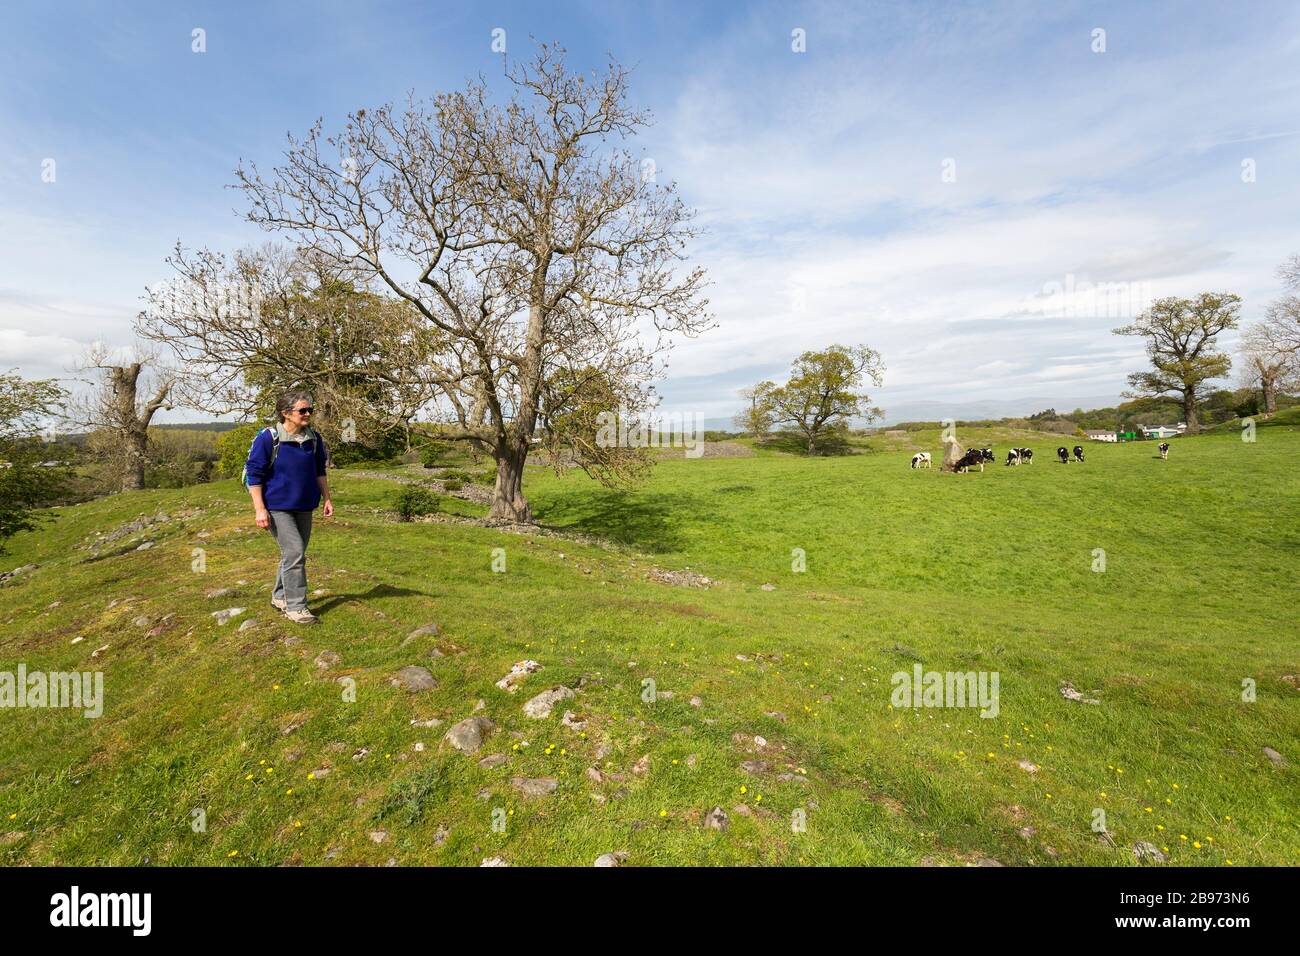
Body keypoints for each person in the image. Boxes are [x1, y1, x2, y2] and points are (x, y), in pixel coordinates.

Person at [244, 391, 333, 624]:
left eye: (309, 410)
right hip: (277, 507)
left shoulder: (314, 438)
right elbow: (254, 475)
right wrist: (259, 509)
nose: (308, 414)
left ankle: (280, 596)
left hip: (304, 506)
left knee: (294, 553)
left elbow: (319, 471)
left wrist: (327, 498)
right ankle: (297, 607)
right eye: (303, 410)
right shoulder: (269, 438)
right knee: (294, 552)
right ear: (286, 413)